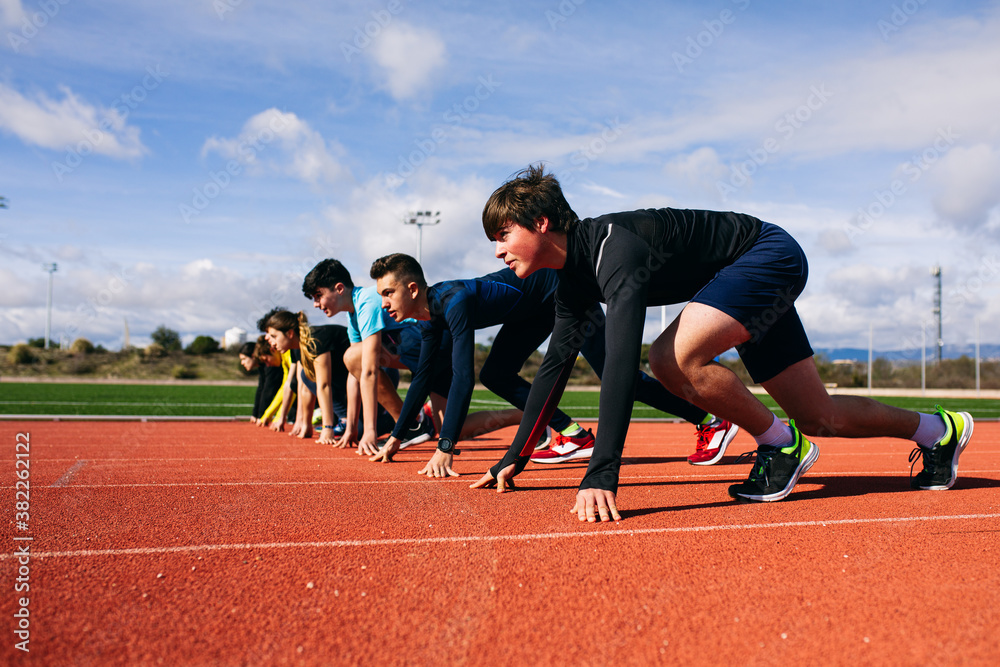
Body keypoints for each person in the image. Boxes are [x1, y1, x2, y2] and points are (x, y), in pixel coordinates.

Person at [472, 164, 974, 523]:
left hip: (766, 254)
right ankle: (938, 431)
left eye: (502, 234)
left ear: (541, 223)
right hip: (738, 278)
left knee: (671, 358)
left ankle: (781, 446)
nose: (497, 250)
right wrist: (514, 456)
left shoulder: (612, 247)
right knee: (821, 416)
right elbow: (555, 365)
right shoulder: (574, 280)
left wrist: (601, 473)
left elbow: (623, 366)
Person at [368, 253, 734, 478]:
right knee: (496, 374)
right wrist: (397, 438)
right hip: (531, 310)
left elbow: (464, 375)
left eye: (387, 292)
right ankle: (572, 434)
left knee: (618, 377)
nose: (384, 303)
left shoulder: (455, 301)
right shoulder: (429, 318)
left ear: (412, 289)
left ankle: (710, 418)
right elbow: (422, 380)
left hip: (562, 292)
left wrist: (445, 445)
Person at [302, 259, 439, 455]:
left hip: (435, 351)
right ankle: (413, 424)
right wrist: (351, 428)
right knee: (450, 431)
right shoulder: (353, 316)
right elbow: (354, 373)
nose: (316, 304)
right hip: (418, 357)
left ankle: (410, 424)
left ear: (339, 288)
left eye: (318, 296)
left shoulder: (367, 301)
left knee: (455, 430)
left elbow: (368, 370)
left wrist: (369, 431)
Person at [262, 310, 354, 445]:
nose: (271, 342)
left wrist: (327, 428)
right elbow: (304, 385)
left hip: (372, 379)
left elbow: (324, 385)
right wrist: (305, 424)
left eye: (274, 336)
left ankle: (353, 418)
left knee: (360, 429)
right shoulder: (299, 346)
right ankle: (344, 417)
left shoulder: (314, 339)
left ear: (290, 333)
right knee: (305, 375)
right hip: (345, 384)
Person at [238, 337, 283, 425]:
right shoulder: (262, 366)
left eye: (244, 359)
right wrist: (255, 414)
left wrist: (262, 416)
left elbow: (268, 390)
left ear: (252, 356)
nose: (242, 363)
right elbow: (261, 389)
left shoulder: (270, 364)